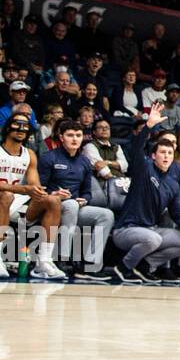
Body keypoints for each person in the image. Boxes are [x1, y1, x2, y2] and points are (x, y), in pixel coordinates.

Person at [108, 101, 180, 285]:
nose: (166, 156)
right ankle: (123, 268)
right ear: (153, 156)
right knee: (153, 239)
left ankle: (145, 266)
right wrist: (148, 125)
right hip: (126, 230)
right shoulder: (145, 168)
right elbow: (136, 148)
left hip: (151, 231)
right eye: (162, 152)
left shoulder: (172, 183)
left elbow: (177, 216)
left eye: (170, 153)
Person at [38, 119, 115, 280]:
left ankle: (90, 264)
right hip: (52, 206)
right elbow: (40, 188)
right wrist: (55, 193)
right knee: (71, 205)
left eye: (78, 135)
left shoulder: (84, 161)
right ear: (61, 137)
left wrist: (84, 200)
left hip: (75, 205)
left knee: (106, 215)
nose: (75, 139)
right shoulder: (48, 158)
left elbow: (87, 192)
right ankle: (62, 259)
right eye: (70, 135)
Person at [0, 114, 68, 279]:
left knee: (52, 201)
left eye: (25, 125)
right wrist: (23, 189)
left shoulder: (29, 154)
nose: (22, 129)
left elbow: (34, 186)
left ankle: (43, 261)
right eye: (17, 124)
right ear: (8, 127)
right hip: (4, 198)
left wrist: (47, 193)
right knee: (6, 195)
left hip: (16, 201)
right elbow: (24, 189)